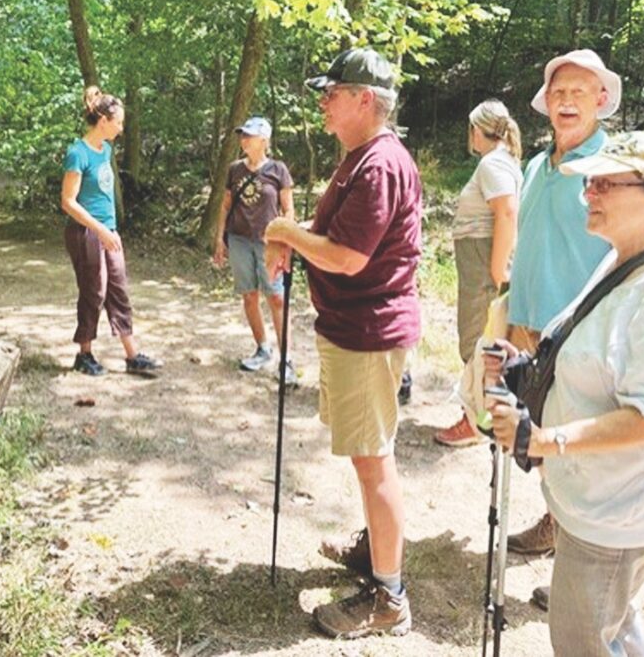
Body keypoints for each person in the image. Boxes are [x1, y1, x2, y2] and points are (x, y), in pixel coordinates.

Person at [485, 131, 644, 656]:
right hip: (608, 501)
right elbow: (600, 356)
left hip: (623, 515)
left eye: (606, 183)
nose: (590, 193)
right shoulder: (628, 259)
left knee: (583, 639)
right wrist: (523, 367)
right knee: (612, 620)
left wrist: (545, 439)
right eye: (590, 181)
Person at [264, 47, 422, 639]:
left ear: (365, 100)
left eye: (331, 93)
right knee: (367, 456)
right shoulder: (360, 158)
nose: (322, 103)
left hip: (368, 333)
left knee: (374, 460)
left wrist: (283, 231)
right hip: (352, 330)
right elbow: (334, 238)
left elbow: (349, 257)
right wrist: (296, 240)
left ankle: (389, 597)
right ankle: (376, 554)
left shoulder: (378, 164)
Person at [503, 49, 618, 562]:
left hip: (582, 335)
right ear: (546, 103)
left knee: (579, 447)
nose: (567, 101)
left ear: (601, 100)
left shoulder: (613, 170)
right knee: (541, 436)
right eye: (558, 93)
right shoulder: (533, 166)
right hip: (529, 328)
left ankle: (581, 557)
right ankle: (556, 524)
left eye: (579, 92)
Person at [434, 99, 522, 447]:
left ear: (476, 129)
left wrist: (498, 268)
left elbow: (506, 212)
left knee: (475, 338)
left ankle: (474, 421)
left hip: (482, 259)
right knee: (483, 337)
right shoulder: (503, 162)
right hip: (480, 257)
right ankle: (482, 416)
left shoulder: (493, 164)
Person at [61, 87, 160, 378]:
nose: (121, 128)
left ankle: (132, 356)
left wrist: (110, 229)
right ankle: (84, 353)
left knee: (118, 289)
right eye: (118, 122)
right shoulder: (77, 152)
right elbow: (67, 202)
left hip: (108, 231)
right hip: (86, 232)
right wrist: (101, 229)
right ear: (103, 120)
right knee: (94, 291)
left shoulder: (106, 149)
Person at [212, 116, 296, 383]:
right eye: (242, 135)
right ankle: (262, 348)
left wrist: (287, 242)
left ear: (264, 140)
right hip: (238, 239)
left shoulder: (278, 170)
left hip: (269, 244)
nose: (243, 140)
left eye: (248, 135)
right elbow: (225, 205)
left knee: (277, 299)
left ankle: (287, 361)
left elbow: (288, 209)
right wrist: (219, 239)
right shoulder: (235, 169)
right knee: (249, 296)